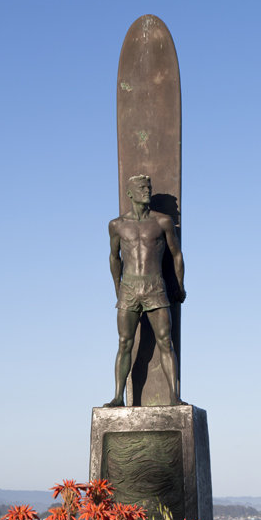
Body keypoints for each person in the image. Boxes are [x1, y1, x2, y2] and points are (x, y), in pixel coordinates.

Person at [104, 174, 186, 407]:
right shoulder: (116, 225)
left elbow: (176, 255)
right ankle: (118, 396)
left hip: (155, 286)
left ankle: (174, 397)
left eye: (148, 187)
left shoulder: (162, 222)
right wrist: (118, 288)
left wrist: (179, 286)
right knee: (124, 342)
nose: (146, 191)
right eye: (141, 187)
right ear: (130, 193)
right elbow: (114, 258)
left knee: (165, 341)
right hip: (129, 288)